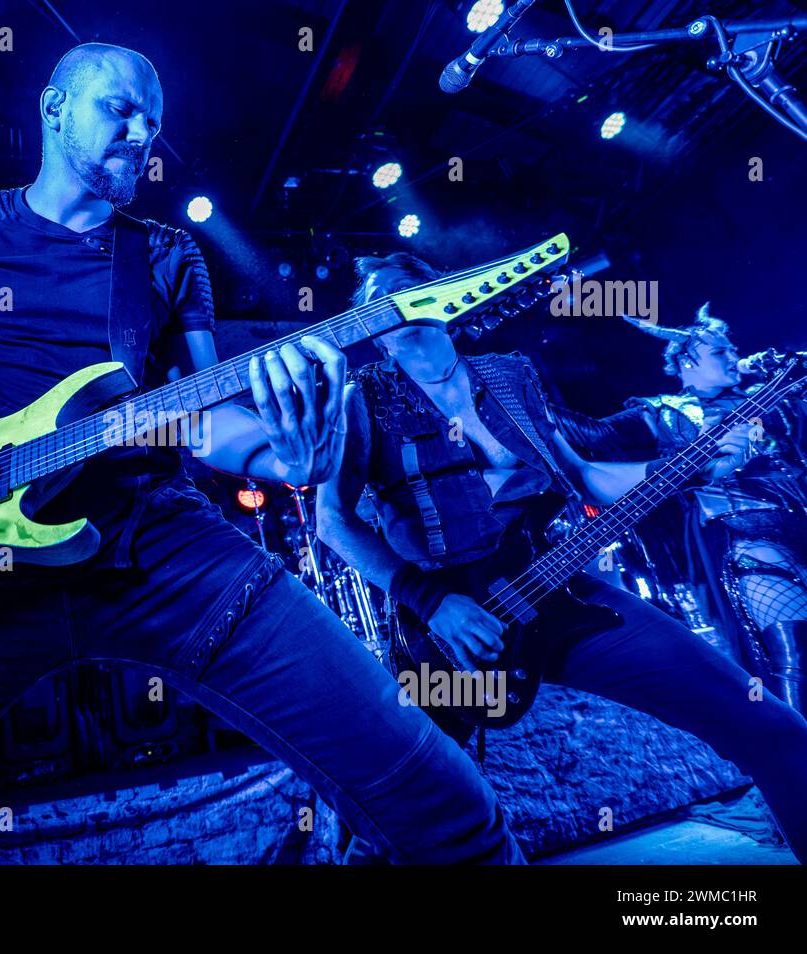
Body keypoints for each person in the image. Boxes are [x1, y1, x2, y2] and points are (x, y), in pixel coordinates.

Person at [0, 45, 523, 864]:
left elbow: (203, 418)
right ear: (53, 105)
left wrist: (288, 456)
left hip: (157, 544)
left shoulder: (166, 253)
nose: (142, 131)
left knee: (444, 802)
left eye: (153, 122)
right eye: (120, 107)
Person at [316, 253, 807, 861]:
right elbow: (332, 523)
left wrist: (684, 466)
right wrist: (432, 601)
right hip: (449, 629)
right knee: (395, 813)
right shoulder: (360, 398)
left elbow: (584, 476)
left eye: (403, 291)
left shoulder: (509, 375)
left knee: (773, 728)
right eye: (374, 303)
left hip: (560, 590)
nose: (390, 306)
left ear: (445, 296)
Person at [618, 306, 807, 714]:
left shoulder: (777, 397)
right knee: (793, 655)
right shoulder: (661, 410)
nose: (733, 355)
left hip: (800, 519)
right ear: (687, 362)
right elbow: (591, 435)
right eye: (720, 351)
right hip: (749, 535)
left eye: (732, 347)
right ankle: (796, 756)